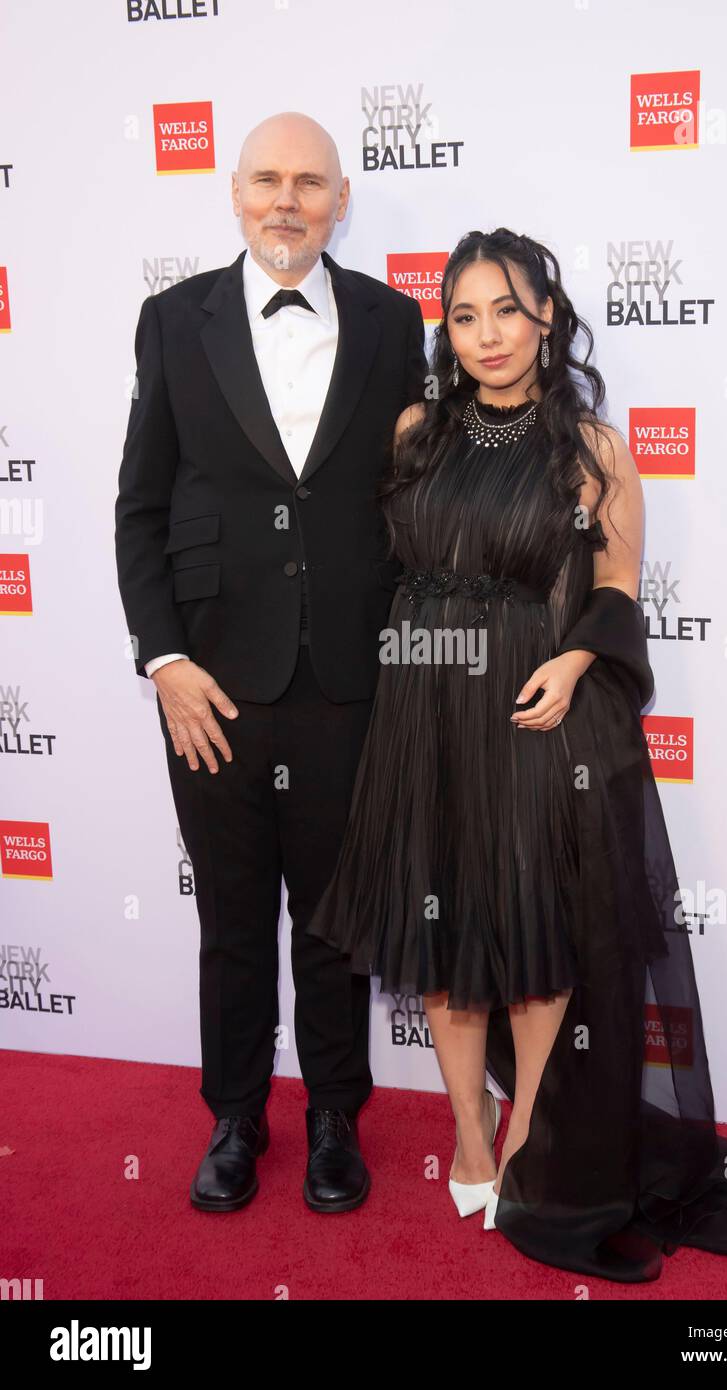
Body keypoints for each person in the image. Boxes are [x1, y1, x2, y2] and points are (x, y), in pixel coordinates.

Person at [305, 227, 727, 1281]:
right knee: (443, 949)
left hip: (537, 716)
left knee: (534, 939)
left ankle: (530, 1128)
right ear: (445, 328)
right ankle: (468, 1136)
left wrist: (580, 661)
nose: (486, 334)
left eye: (506, 309)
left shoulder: (592, 448)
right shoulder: (412, 432)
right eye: (463, 314)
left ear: (546, 315)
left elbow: (619, 588)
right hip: (424, 716)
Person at [114, 112, 427, 1215]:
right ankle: (237, 1116)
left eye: (308, 181)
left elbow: (410, 495)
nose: (286, 200)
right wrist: (162, 657)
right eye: (266, 180)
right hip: (212, 685)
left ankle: (336, 1114)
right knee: (233, 915)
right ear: (233, 193)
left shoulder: (396, 323)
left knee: (337, 918)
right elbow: (140, 506)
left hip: (351, 680)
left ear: (341, 198)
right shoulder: (171, 320)